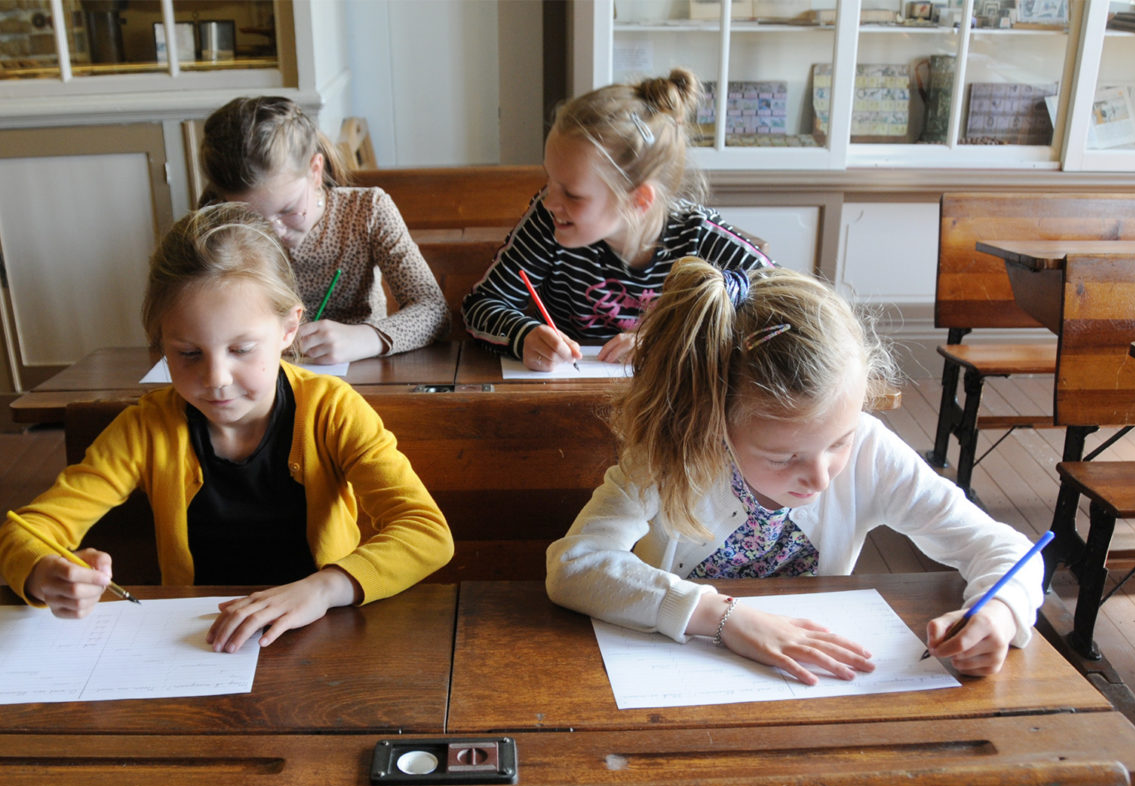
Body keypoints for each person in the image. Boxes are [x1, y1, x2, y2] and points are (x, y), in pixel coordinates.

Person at [546, 257, 1044, 683]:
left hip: (808, 683)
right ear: (716, 423)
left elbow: (1005, 548)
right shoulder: (673, 454)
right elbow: (575, 565)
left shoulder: (870, 451)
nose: (822, 477)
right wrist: (722, 618)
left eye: (839, 442)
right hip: (675, 676)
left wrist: (999, 612)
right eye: (784, 458)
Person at [0, 204, 454, 653]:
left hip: (324, 637)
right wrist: (44, 572)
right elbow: (24, 533)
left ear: (289, 328)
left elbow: (425, 532)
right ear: (160, 343)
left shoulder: (331, 411)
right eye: (188, 353)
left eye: (242, 349)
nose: (215, 378)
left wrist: (322, 589)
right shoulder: (146, 428)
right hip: (201, 644)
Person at [462, 68, 773, 372]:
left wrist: (669, 341)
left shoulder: (701, 238)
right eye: (550, 180)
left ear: (638, 201)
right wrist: (524, 336)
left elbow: (790, 316)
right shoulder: (549, 222)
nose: (549, 201)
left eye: (572, 194)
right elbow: (481, 306)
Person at [199, 96, 450, 363]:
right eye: (253, 218)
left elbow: (434, 311)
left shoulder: (367, 211)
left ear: (315, 170)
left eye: (288, 210)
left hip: (364, 377)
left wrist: (365, 338)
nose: (275, 231)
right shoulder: (220, 224)